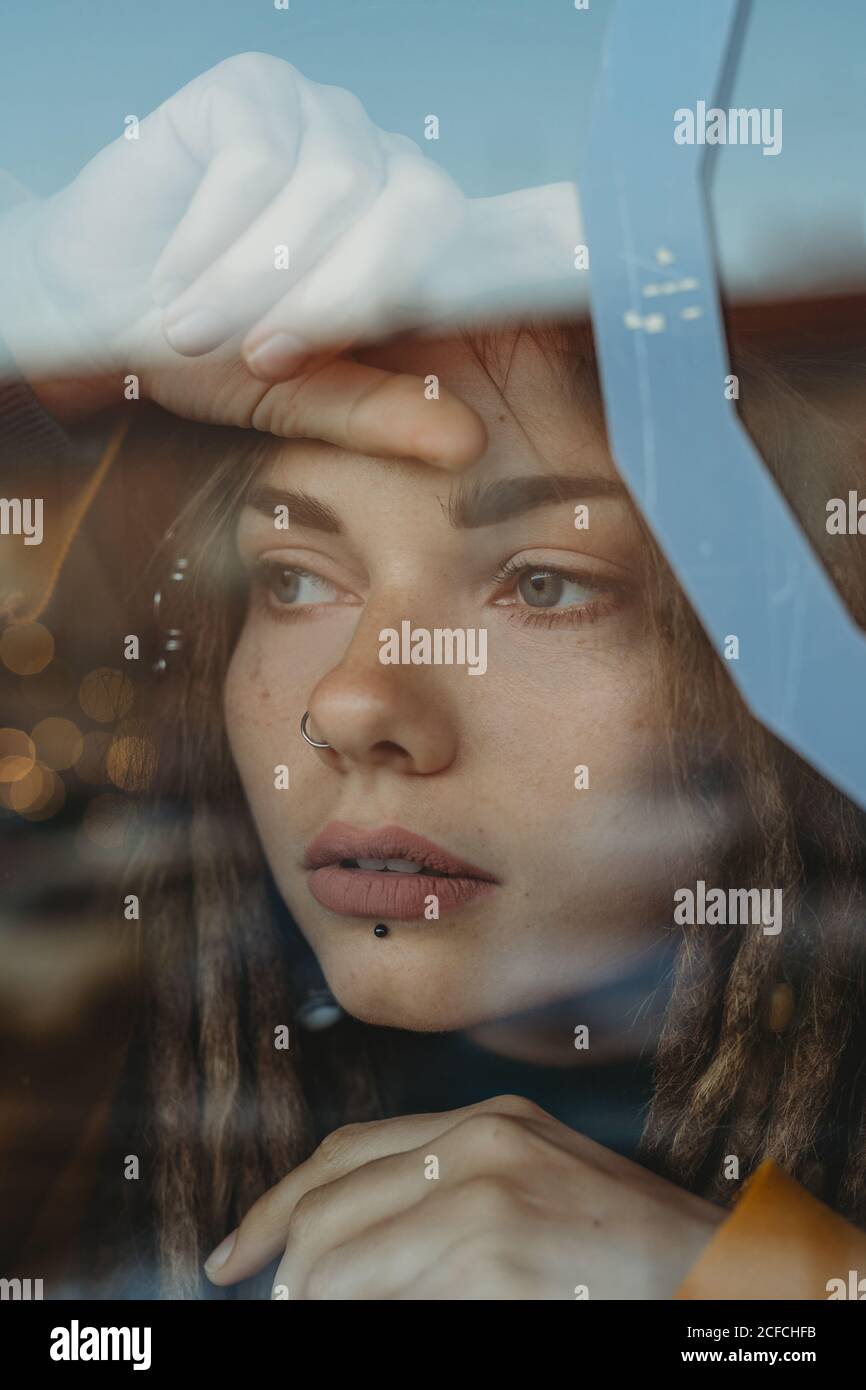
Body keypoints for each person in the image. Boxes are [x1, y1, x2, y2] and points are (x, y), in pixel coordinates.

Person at [2, 54, 866, 1302]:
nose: (353, 703)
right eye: (295, 577)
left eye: (544, 582)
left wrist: (763, 1295)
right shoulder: (94, 1065)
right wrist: (52, 339)